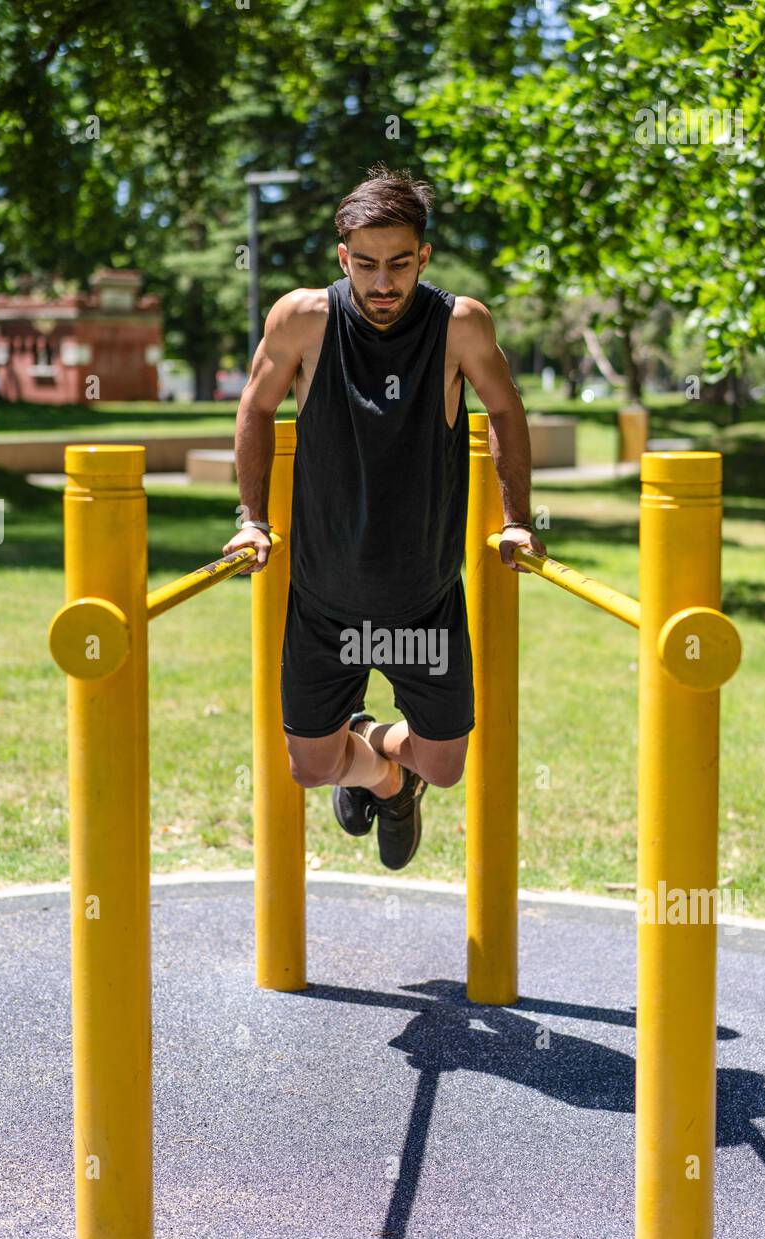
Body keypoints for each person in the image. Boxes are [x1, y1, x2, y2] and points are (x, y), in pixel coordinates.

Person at [223, 161, 547, 871]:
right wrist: (252, 516)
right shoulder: (303, 319)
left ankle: (398, 769)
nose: (382, 283)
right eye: (365, 264)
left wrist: (519, 516)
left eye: (400, 264)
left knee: (447, 764)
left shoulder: (459, 324)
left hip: (422, 599)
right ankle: (383, 777)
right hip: (323, 597)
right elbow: (254, 405)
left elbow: (505, 407)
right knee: (310, 767)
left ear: (423, 257)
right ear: (343, 257)